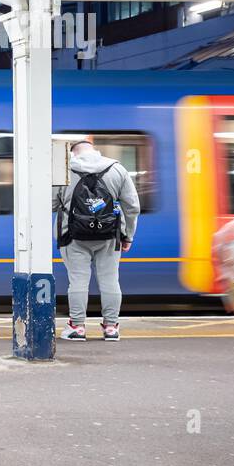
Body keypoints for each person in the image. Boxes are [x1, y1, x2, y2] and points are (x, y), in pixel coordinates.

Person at [54, 139, 141, 342]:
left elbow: (50, 203)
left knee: (78, 280)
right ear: (96, 151)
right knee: (110, 280)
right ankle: (111, 328)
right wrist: (128, 235)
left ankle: (77, 327)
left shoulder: (64, 170)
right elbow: (132, 206)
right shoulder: (117, 169)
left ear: (72, 153)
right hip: (110, 234)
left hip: (72, 235)